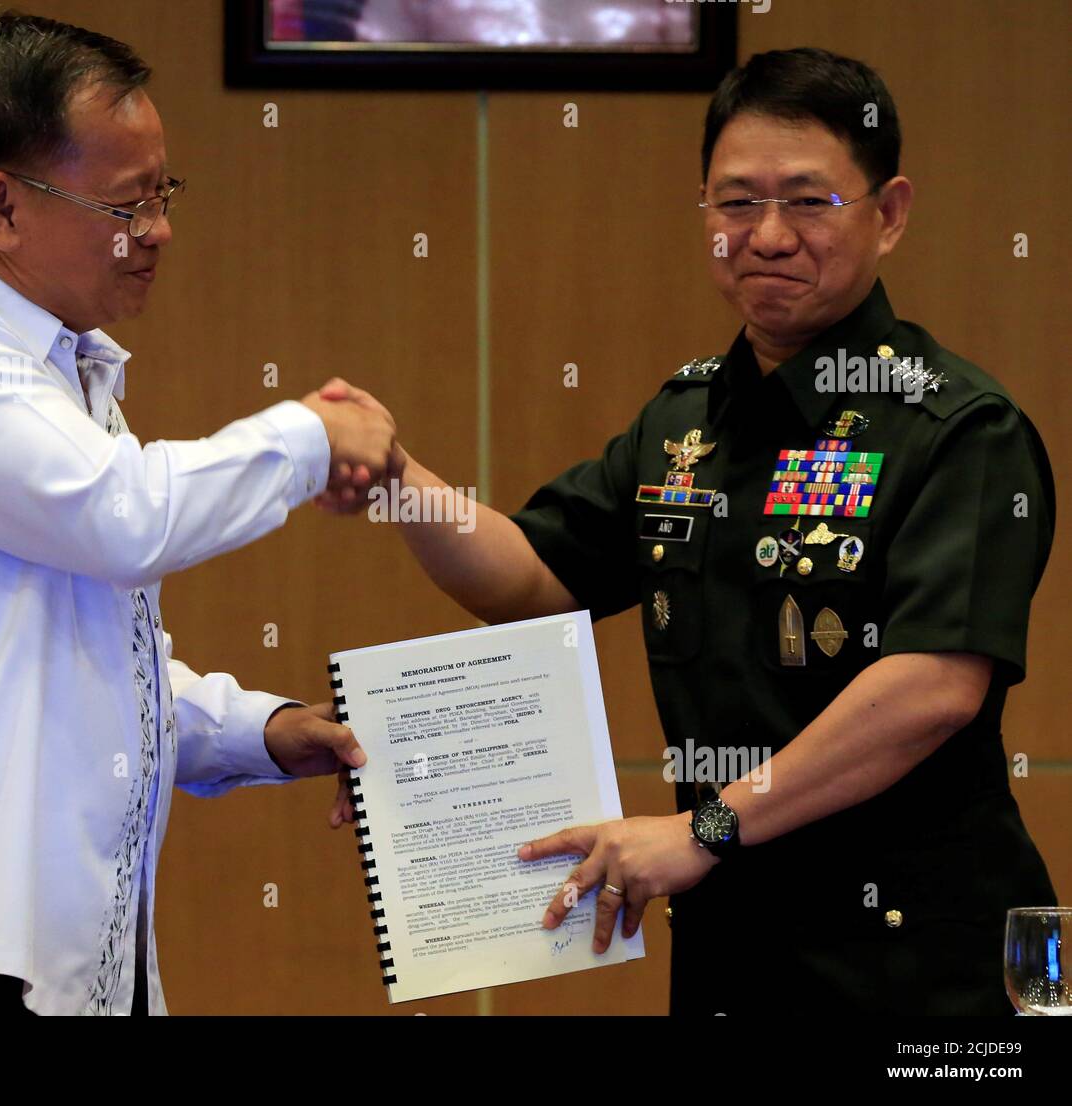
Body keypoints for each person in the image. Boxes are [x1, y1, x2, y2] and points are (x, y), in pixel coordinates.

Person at [322, 47, 1058, 1014]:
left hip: (919, 960)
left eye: (810, 202)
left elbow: (931, 689)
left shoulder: (959, 428)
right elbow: (531, 576)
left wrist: (705, 828)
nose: (769, 236)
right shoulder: (685, 421)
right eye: (736, 203)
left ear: (889, 215)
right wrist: (398, 482)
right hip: (733, 944)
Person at [0, 11, 384, 1016]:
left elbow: (88, 661)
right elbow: (125, 513)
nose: (158, 230)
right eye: (125, 202)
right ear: (2, 206)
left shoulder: (58, 373)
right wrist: (311, 436)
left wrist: (258, 730)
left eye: (163, 193)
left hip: (66, 984)